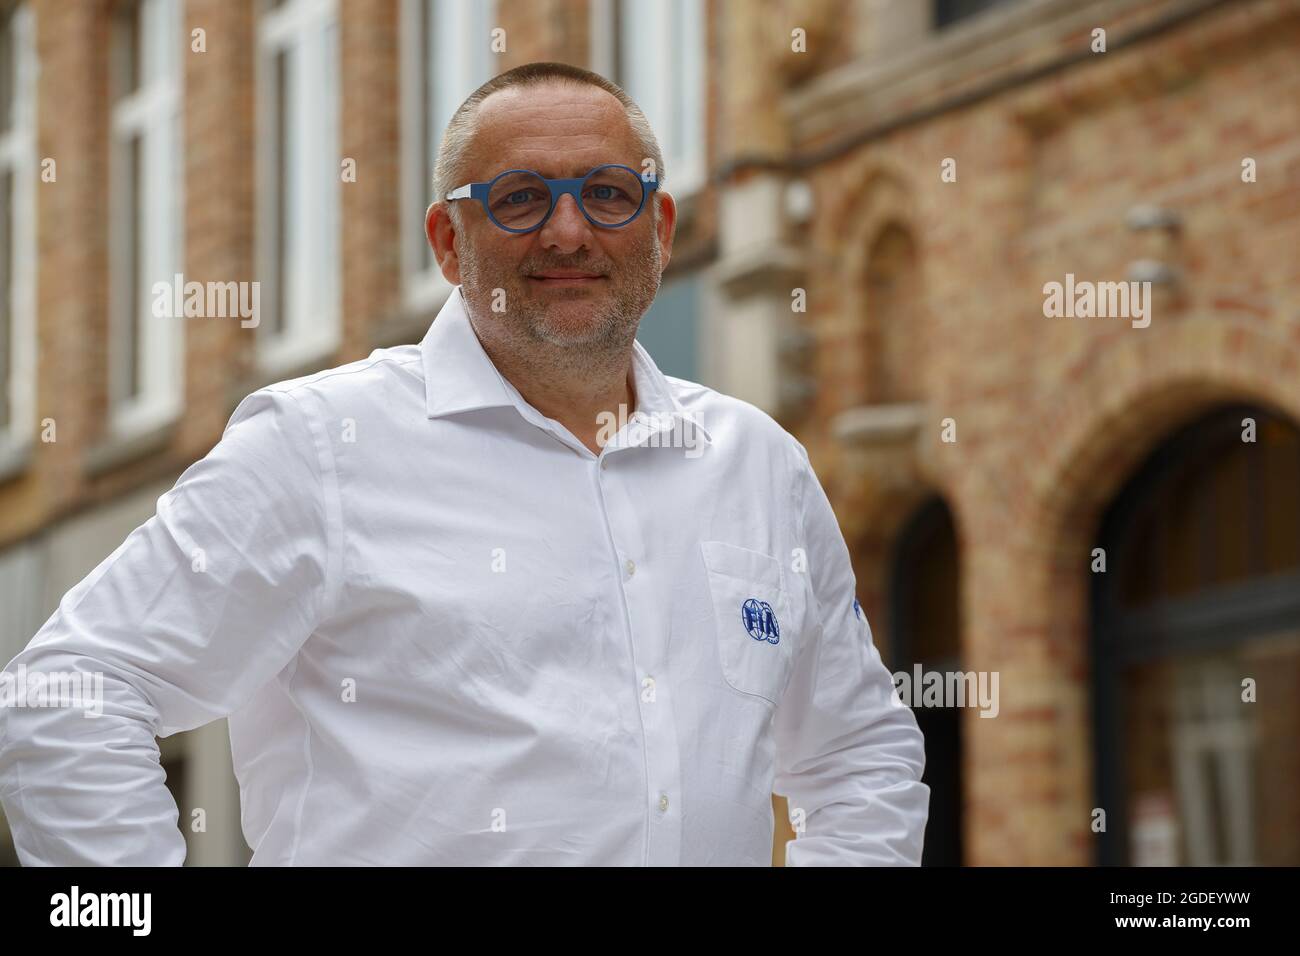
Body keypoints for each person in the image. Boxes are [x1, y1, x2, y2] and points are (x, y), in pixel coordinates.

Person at [0, 61, 928, 866]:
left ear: (660, 227)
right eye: (521, 198)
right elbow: (70, 692)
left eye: (609, 194)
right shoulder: (318, 446)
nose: (569, 231)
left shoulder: (757, 465)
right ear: (448, 242)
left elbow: (858, 752)